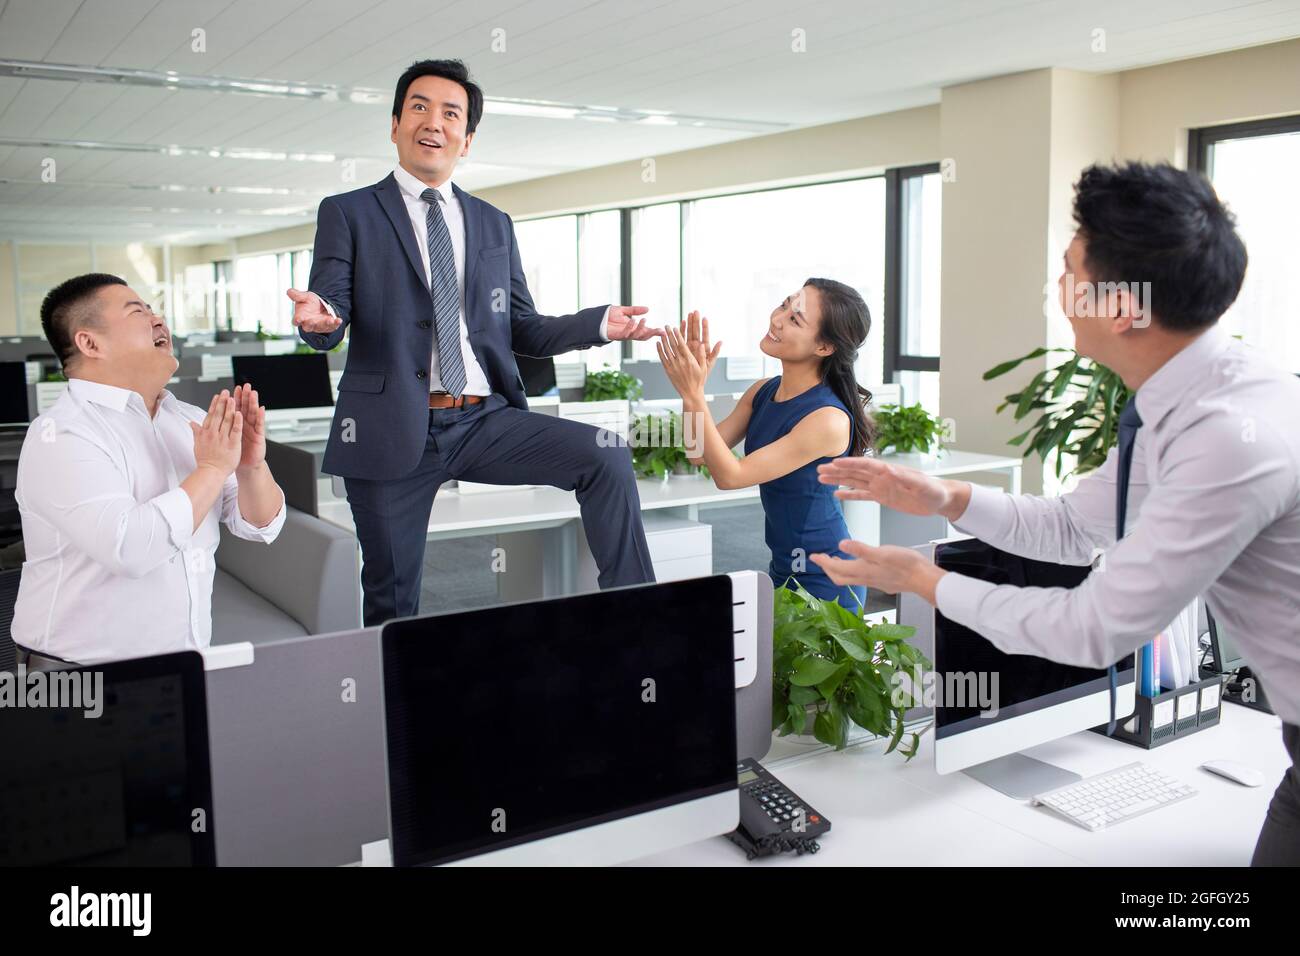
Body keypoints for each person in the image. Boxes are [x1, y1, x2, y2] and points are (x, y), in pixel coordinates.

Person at [810, 162, 1300, 866]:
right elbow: (1076, 531)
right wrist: (944, 499)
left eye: (1070, 272)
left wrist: (924, 580)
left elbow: (1096, 629)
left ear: (1126, 306)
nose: (1057, 292)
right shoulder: (1190, 399)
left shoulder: (1227, 434)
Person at [286, 59, 661, 626]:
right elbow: (330, 309)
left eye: (450, 113)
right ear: (394, 125)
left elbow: (522, 329)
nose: (433, 122)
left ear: (467, 139)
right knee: (391, 599)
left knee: (605, 454)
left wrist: (597, 323)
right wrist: (323, 319)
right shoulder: (349, 212)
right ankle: (395, 706)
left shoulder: (492, 223)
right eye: (418, 107)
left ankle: (641, 620)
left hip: (482, 420)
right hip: (389, 428)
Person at [12, 274, 286, 666]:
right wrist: (211, 468)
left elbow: (261, 526)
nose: (159, 320)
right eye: (138, 311)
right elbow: (130, 549)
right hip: (79, 675)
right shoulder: (61, 434)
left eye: (155, 310)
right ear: (90, 342)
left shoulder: (187, 419)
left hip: (184, 662)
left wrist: (249, 466)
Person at [657, 280, 876, 608]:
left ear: (824, 347)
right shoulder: (761, 392)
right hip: (783, 568)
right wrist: (691, 394)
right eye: (784, 305)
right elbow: (697, 452)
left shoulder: (828, 419)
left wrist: (694, 392)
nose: (777, 318)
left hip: (829, 579)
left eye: (795, 319)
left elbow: (730, 476)